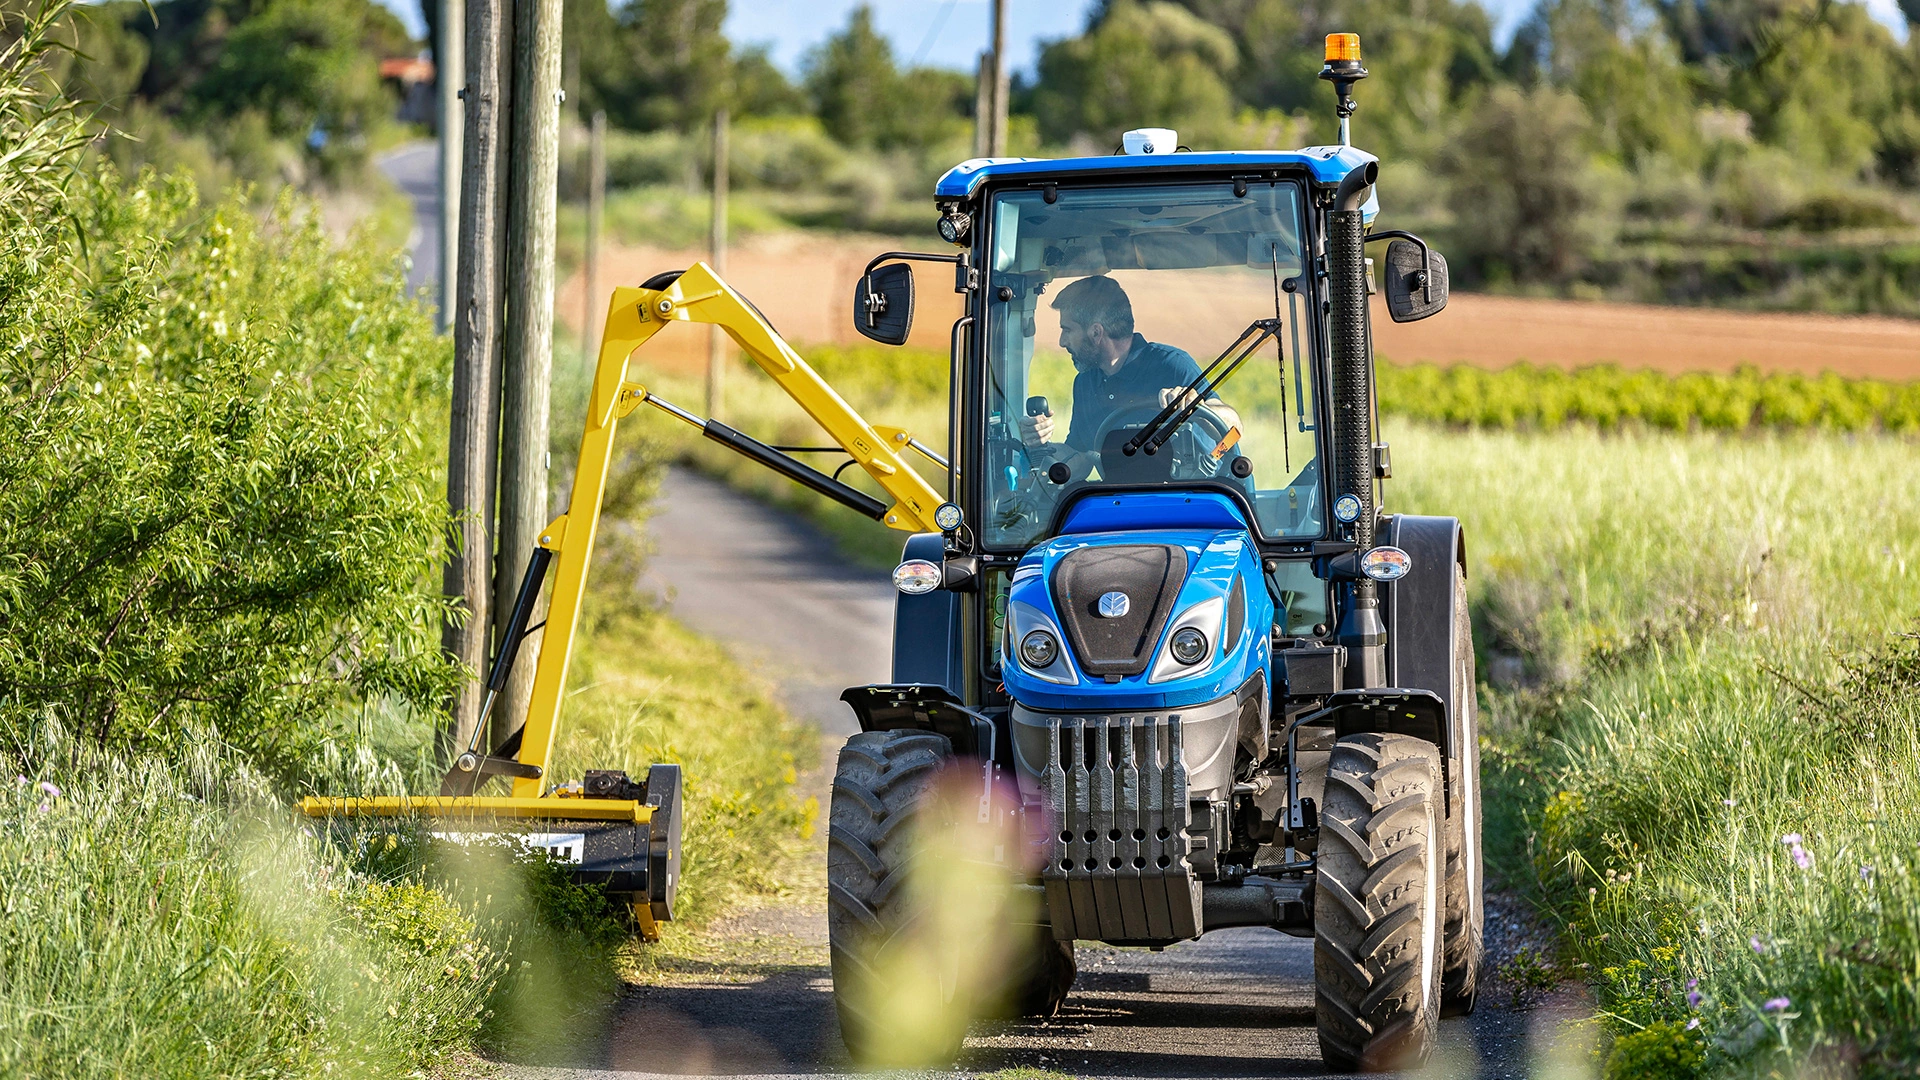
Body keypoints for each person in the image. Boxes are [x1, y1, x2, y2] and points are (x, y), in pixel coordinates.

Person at [1018, 275, 1239, 478]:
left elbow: (1234, 427)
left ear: (1096, 332)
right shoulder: (1086, 382)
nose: (1062, 341)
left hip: (1190, 503)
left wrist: (1195, 406)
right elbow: (1081, 459)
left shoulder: (1171, 365)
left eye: (1067, 330)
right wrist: (1040, 444)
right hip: (1121, 509)